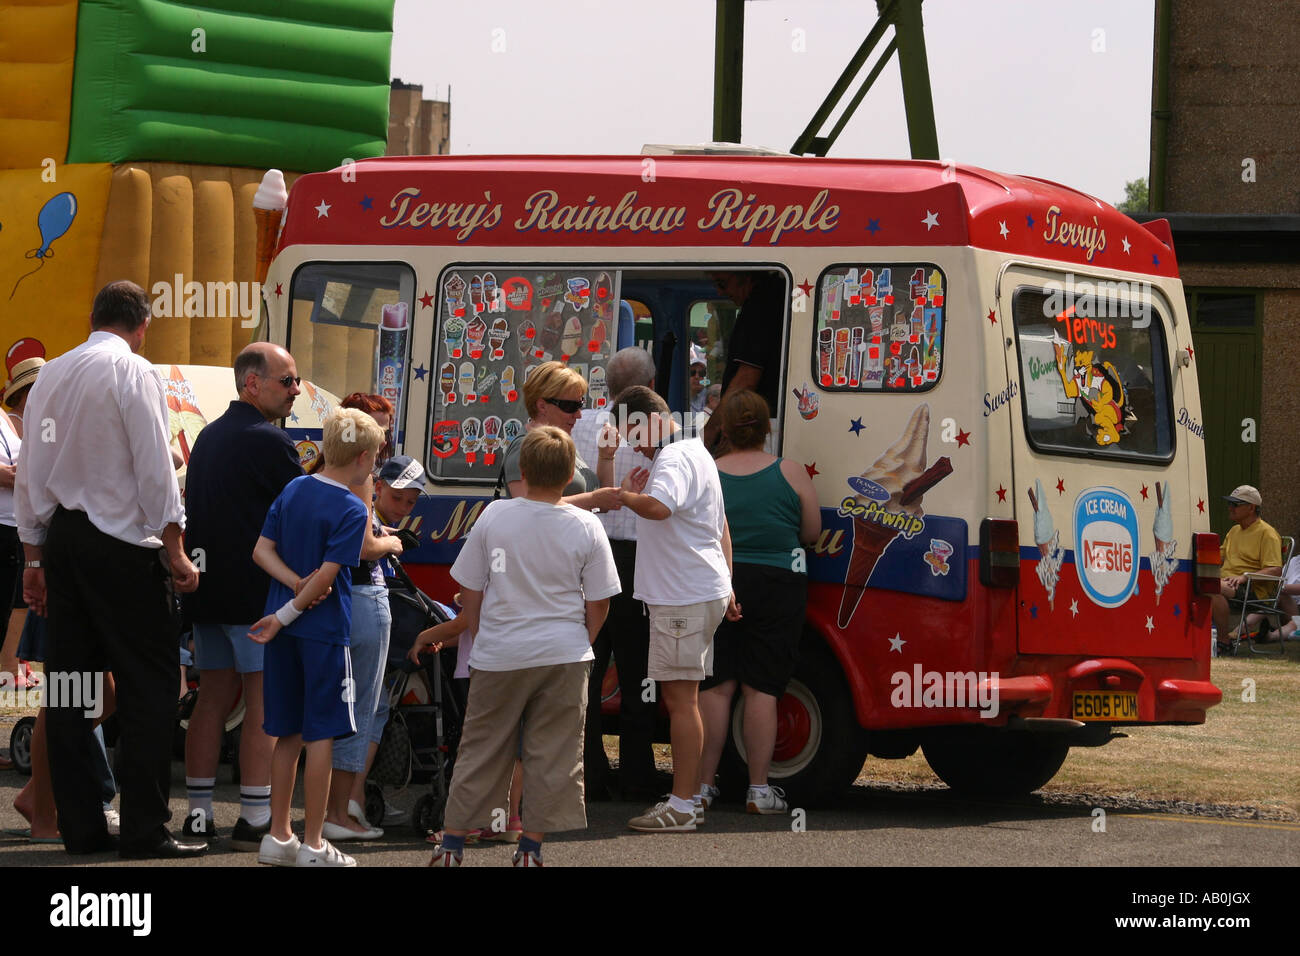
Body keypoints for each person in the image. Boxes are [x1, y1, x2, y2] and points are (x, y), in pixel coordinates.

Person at [15, 279, 203, 859]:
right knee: (148, 690)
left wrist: (35, 556)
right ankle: (145, 830)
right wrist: (174, 550)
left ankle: (80, 829)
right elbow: (156, 467)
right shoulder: (135, 372)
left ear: (93, 316)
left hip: (65, 540)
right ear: (142, 325)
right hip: (124, 546)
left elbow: (32, 468)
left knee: (71, 688)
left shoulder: (51, 374)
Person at [428, 426, 620, 867]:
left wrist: (482, 630)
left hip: (499, 654)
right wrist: (582, 639)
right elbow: (600, 600)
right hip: (564, 655)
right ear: (571, 473)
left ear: (524, 471)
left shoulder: (495, 516)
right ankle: (530, 849)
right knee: (554, 752)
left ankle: (453, 845)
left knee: (480, 746)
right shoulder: (587, 525)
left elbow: (471, 588)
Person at [180, 343, 305, 849]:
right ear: (252, 383)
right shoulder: (270, 442)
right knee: (262, 704)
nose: (295, 389)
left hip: (207, 592)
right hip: (256, 597)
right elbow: (303, 512)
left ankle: (197, 813)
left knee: (210, 699)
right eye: (287, 380)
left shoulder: (207, 436)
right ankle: (254, 816)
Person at [250, 407, 385, 867]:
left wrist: (287, 590)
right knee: (322, 734)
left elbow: (261, 550)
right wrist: (290, 608)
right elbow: (325, 581)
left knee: (286, 733)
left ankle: (278, 834)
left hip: (283, 631)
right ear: (364, 458)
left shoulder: (294, 488)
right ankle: (312, 844)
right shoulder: (352, 507)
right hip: (323, 634)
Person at [610, 385, 739, 832]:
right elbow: (720, 524)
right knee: (688, 699)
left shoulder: (673, 457)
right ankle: (690, 796)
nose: (635, 446)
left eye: (634, 434)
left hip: (682, 595)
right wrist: (728, 583)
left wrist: (624, 496)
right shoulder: (696, 450)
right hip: (698, 589)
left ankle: (683, 803)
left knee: (680, 701)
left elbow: (660, 509)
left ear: (649, 420)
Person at [697, 390, 820, 814]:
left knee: (714, 688)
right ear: (768, 428)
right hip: (778, 582)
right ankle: (758, 789)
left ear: (725, 430)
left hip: (719, 580)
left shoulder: (708, 472)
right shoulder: (791, 471)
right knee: (762, 687)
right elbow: (811, 533)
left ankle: (700, 788)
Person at [571, 346, 660, 799]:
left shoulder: (581, 423)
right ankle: (638, 773)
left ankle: (589, 773)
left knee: (587, 664)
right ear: (651, 383)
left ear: (606, 384)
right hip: (636, 558)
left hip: (586, 553)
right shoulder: (662, 429)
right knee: (637, 672)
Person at [322, 454, 414, 841]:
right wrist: (389, 540)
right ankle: (340, 812)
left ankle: (329, 812)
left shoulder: (310, 485)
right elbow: (362, 548)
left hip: (333, 601)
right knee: (362, 709)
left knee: (331, 712)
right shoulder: (359, 487)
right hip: (364, 598)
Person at [701, 270, 785, 451]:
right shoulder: (771, 300)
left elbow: (745, 379)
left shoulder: (759, 306)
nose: (720, 292)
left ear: (745, 276)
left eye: (722, 283)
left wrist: (710, 431)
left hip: (758, 430)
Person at [0, 357, 43, 689]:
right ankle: (8, 667)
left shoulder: (41, 423)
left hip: (24, 523)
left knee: (21, 599)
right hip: (3, 522)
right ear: (27, 392)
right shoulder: (3, 421)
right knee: (10, 598)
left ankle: (14, 662)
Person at [1213, 485, 1283, 651]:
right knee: (1197, 582)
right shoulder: (1234, 531)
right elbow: (1217, 557)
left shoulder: (1268, 534)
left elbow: (1275, 570)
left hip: (1255, 591)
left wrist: (1244, 576)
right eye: (1230, 503)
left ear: (1251, 508)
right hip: (1229, 583)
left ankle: (1223, 641)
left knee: (1212, 586)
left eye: (1235, 504)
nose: (1230, 508)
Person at [688, 344, 710, 413]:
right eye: (692, 372)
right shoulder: (677, 399)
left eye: (701, 373)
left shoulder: (711, 398)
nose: (697, 377)